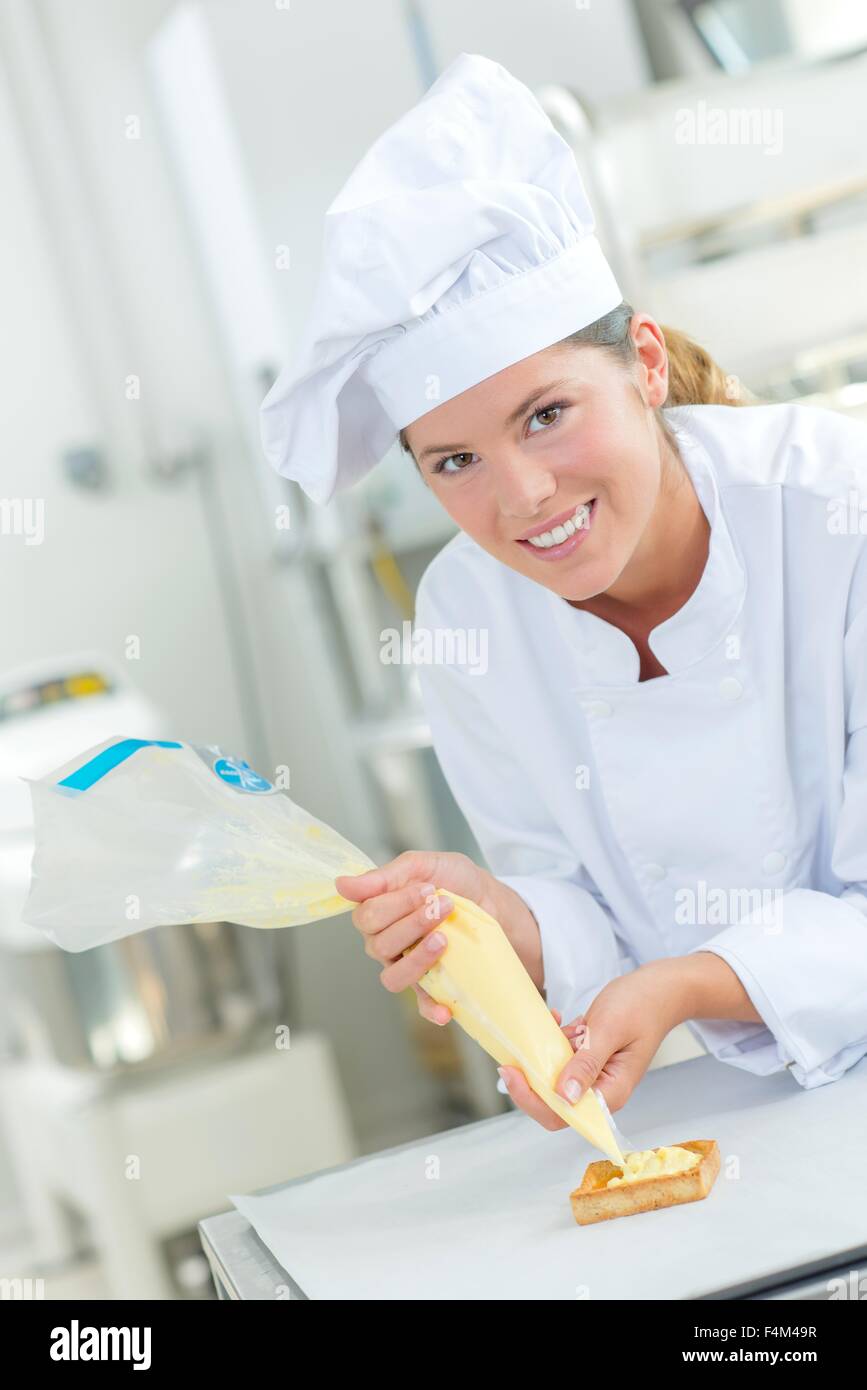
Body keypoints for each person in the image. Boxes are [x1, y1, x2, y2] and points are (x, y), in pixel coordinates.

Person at [260, 53, 867, 1128]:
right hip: (760, 1117)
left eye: (546, 414)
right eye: (454, 462)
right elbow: (587, 912)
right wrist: (500, 919)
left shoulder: (836, 508)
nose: (524, 497)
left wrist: (688, 984)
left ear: (641, 362)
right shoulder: (468, 617)